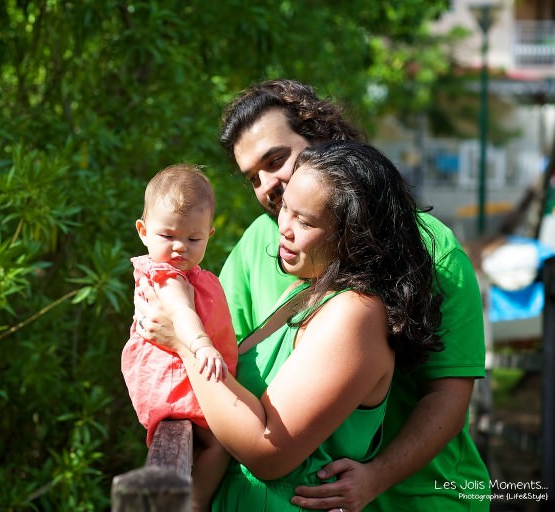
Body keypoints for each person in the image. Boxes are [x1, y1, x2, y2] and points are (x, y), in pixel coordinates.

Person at [217, 79, 490, 510]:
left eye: (276, 159)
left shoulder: (434, 250)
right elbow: (223, 353)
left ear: (323, 138)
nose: (269, 183)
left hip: (416, 496)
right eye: (254, 177)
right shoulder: (260, 242)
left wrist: (376, 478)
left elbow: (448, 397)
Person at [137, 140, 445, 510]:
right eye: (286, 209)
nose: (284, 228)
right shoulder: (305, 292)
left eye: (305, 220)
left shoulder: (356, 314)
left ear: (352, 235)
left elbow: (268, 452)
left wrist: (184, 343)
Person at [121, 164, 238, 511]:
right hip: (172, 379)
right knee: (219, 443)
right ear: (143, 231)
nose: (179, 248)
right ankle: (197, 502)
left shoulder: (188, 275)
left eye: (193, 239)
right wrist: (203, 346)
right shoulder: (168, 279)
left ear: (209, 235)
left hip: (178, 375)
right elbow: (183, 314)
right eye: (167, 236)